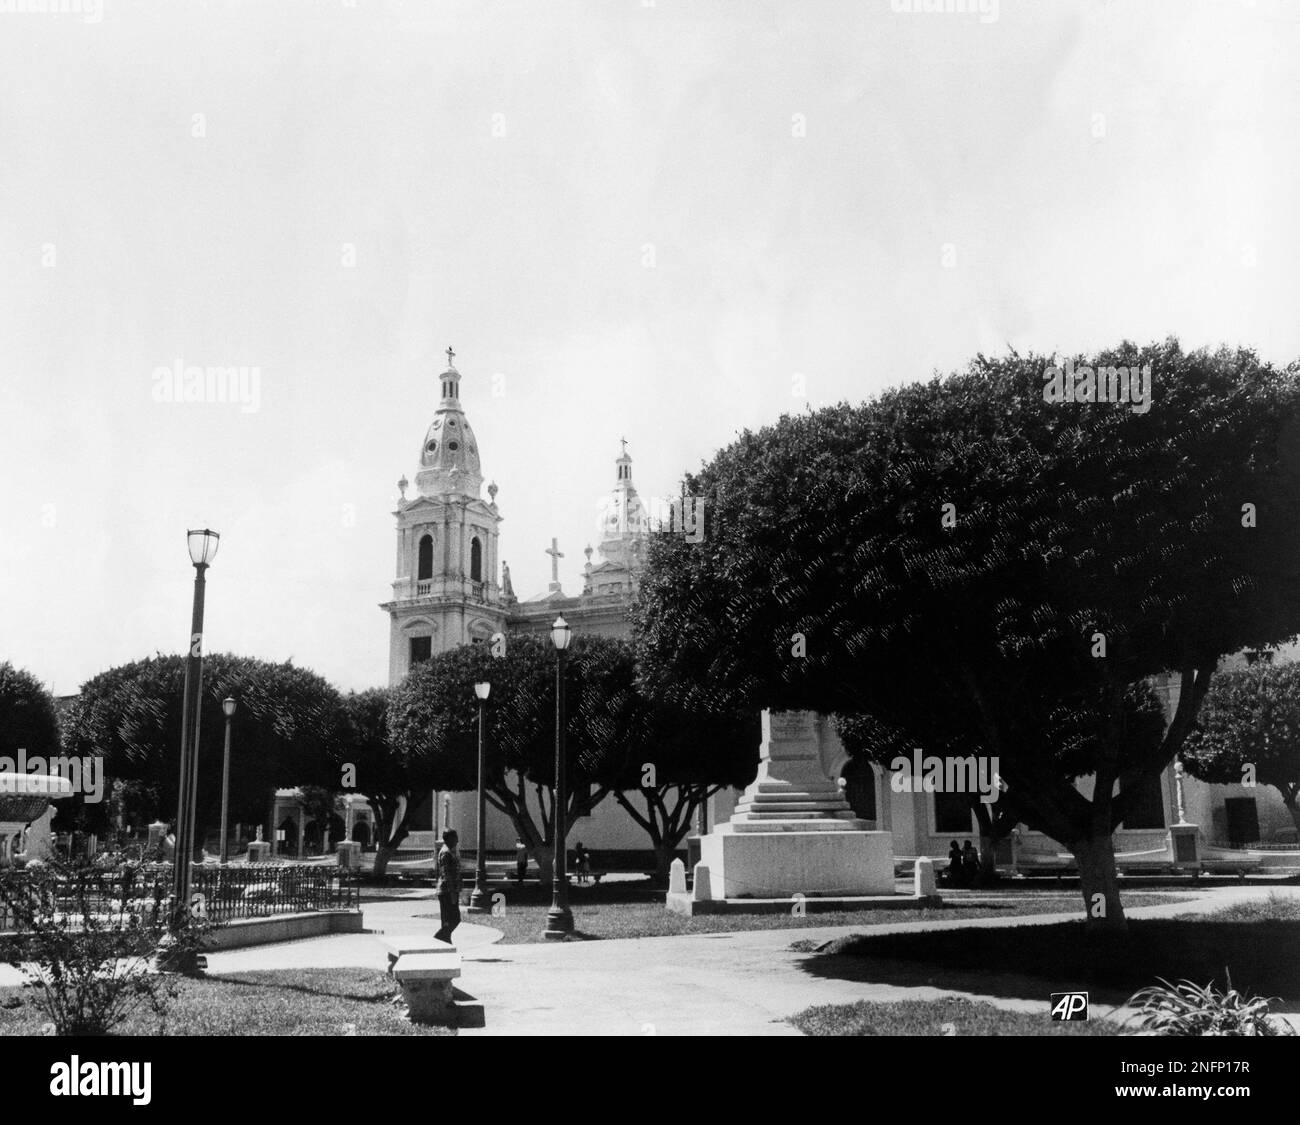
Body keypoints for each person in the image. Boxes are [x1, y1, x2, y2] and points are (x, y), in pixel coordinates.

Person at [434, 829, 463, 944]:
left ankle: (445, 943)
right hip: (447, 891)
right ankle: (437, 939)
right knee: (453, 919)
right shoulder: (446, 853)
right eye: (455, 837)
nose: (457, 840)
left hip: (449, 890)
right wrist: (452, 893)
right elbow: (447, 875)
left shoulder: (449, 851)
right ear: (450, 839)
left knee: (448, 921)